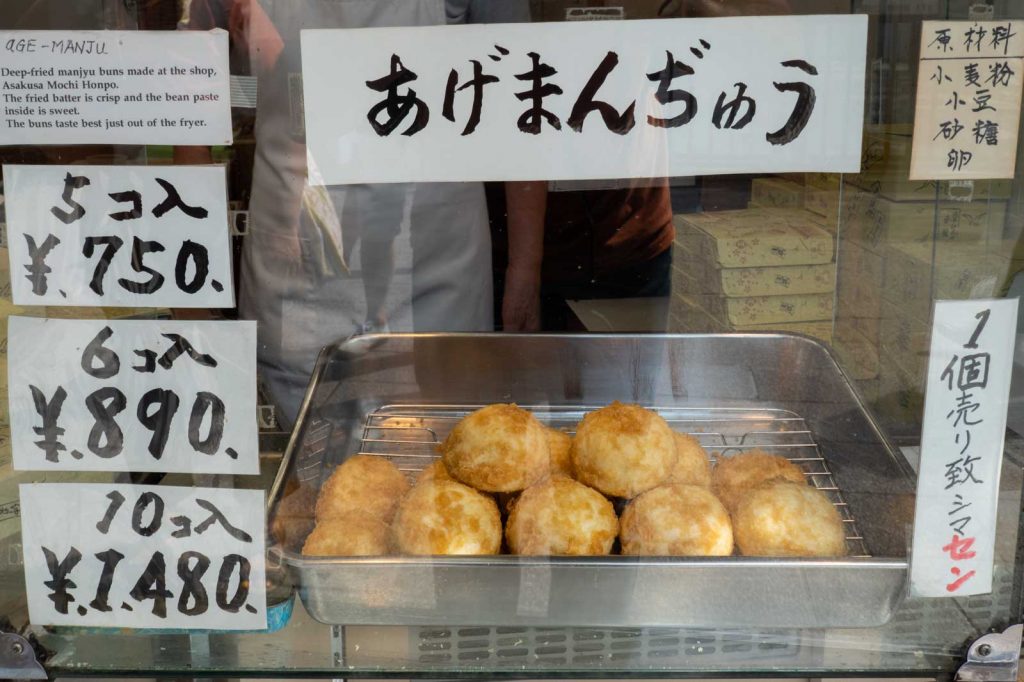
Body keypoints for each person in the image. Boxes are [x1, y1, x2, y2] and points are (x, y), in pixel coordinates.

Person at [178, 0, 538, 425]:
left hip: (438, 269)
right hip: (297, 268)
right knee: (302, 473)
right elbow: (187, 105)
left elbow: (523, 94)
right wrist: (191, 292)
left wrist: (526, 265)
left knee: (445, 472)